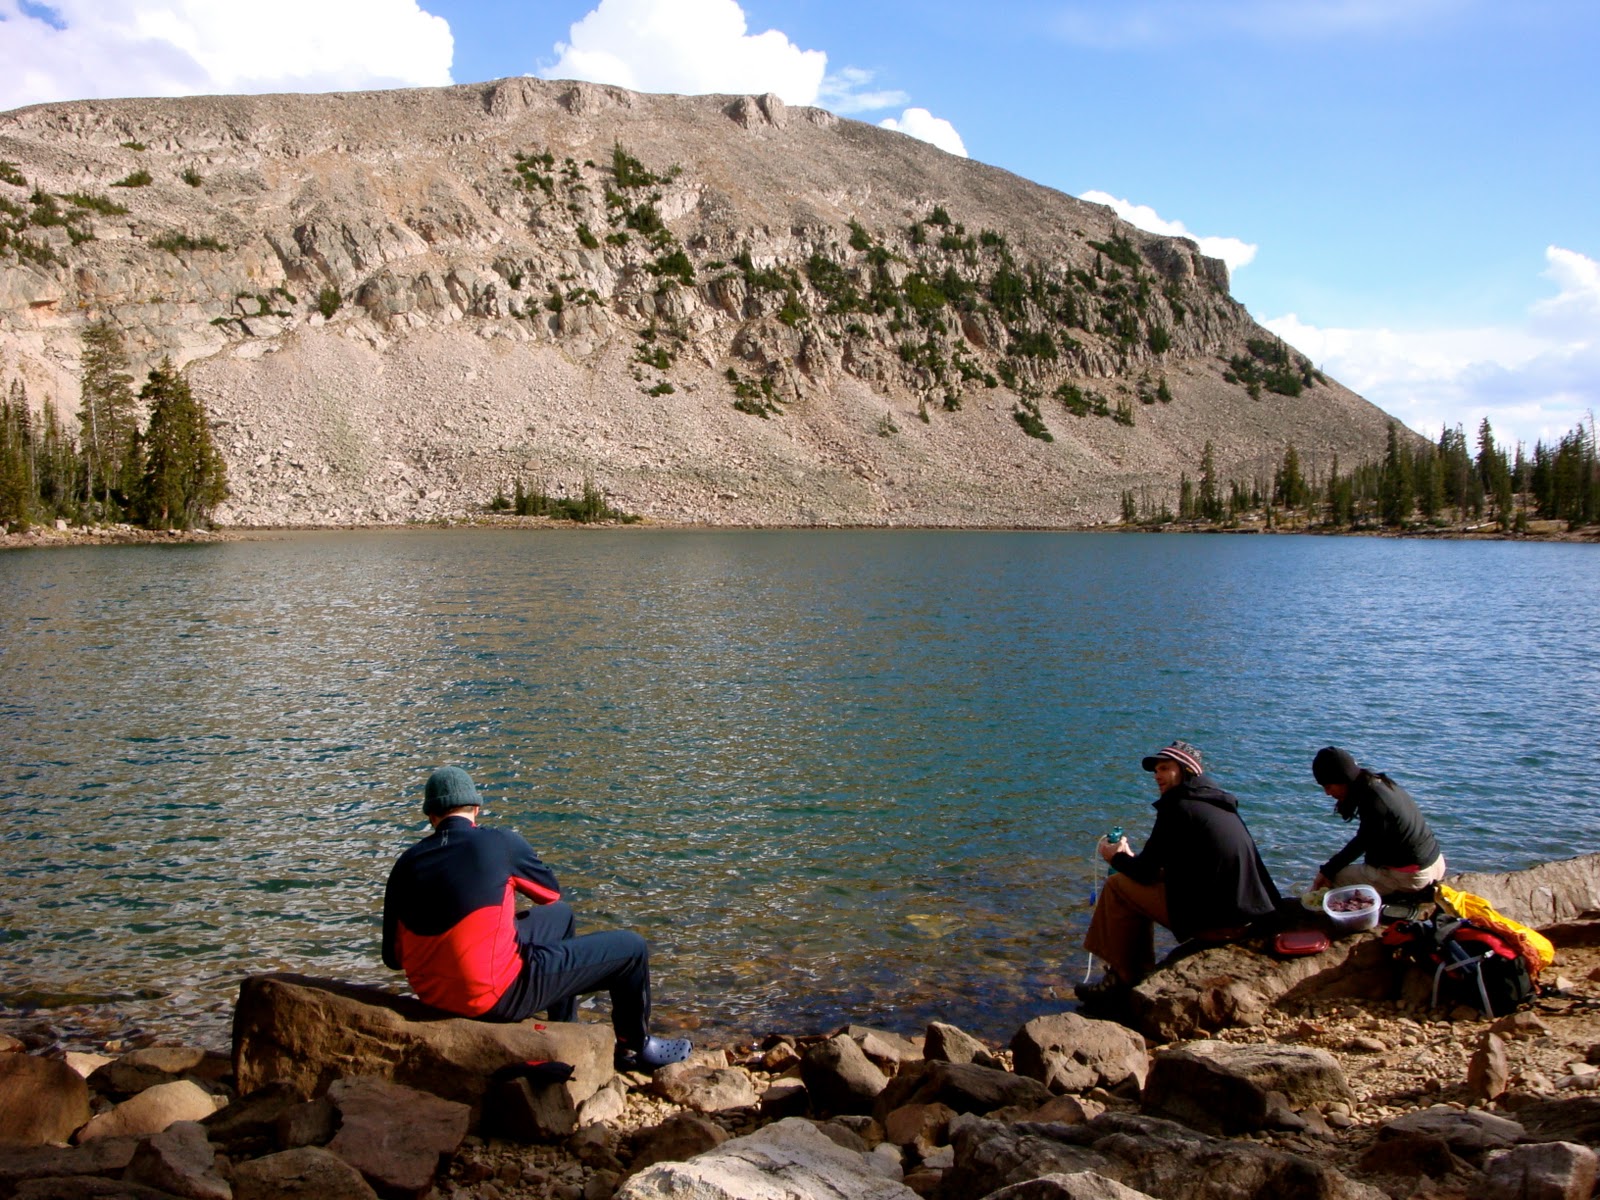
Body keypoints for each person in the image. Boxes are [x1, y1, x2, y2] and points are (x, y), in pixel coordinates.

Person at [382, 766, 691, 1071]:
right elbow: (550, 893)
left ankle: (564, 1028)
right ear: (476, 808)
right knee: (632, 948)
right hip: (493, 996)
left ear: (431, 816)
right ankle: (635, 1046)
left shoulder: (405, 863)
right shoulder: (500, 843)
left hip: (432, 996)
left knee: (561, 917)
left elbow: (393, 958)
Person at [1077, 740, 1281, 999]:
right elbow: (1169, 865)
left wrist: (1114, 858)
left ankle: (1121, 977)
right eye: (1156, 770)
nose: (1157, 775)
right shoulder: (1215, 803)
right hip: (1248, 917)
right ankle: (1134, 969)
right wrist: (1131, 860)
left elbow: (1145, 873)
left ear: (1186, 770)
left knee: (1118, 886)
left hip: (1220, 925)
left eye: (1164, 768)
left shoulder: (1179, 808)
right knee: (1132, 881)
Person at [1310, 746, 1445, 895]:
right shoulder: (1378, 782)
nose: (1327, 793)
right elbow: (1369, 840)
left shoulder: (1374, 802)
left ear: (1343, 778)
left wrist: (1326, 871)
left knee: (1336, 878)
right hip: (1435, 863)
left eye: (1328, 786)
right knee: (1360, 866)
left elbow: (1361, 843)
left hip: (1417, 876)